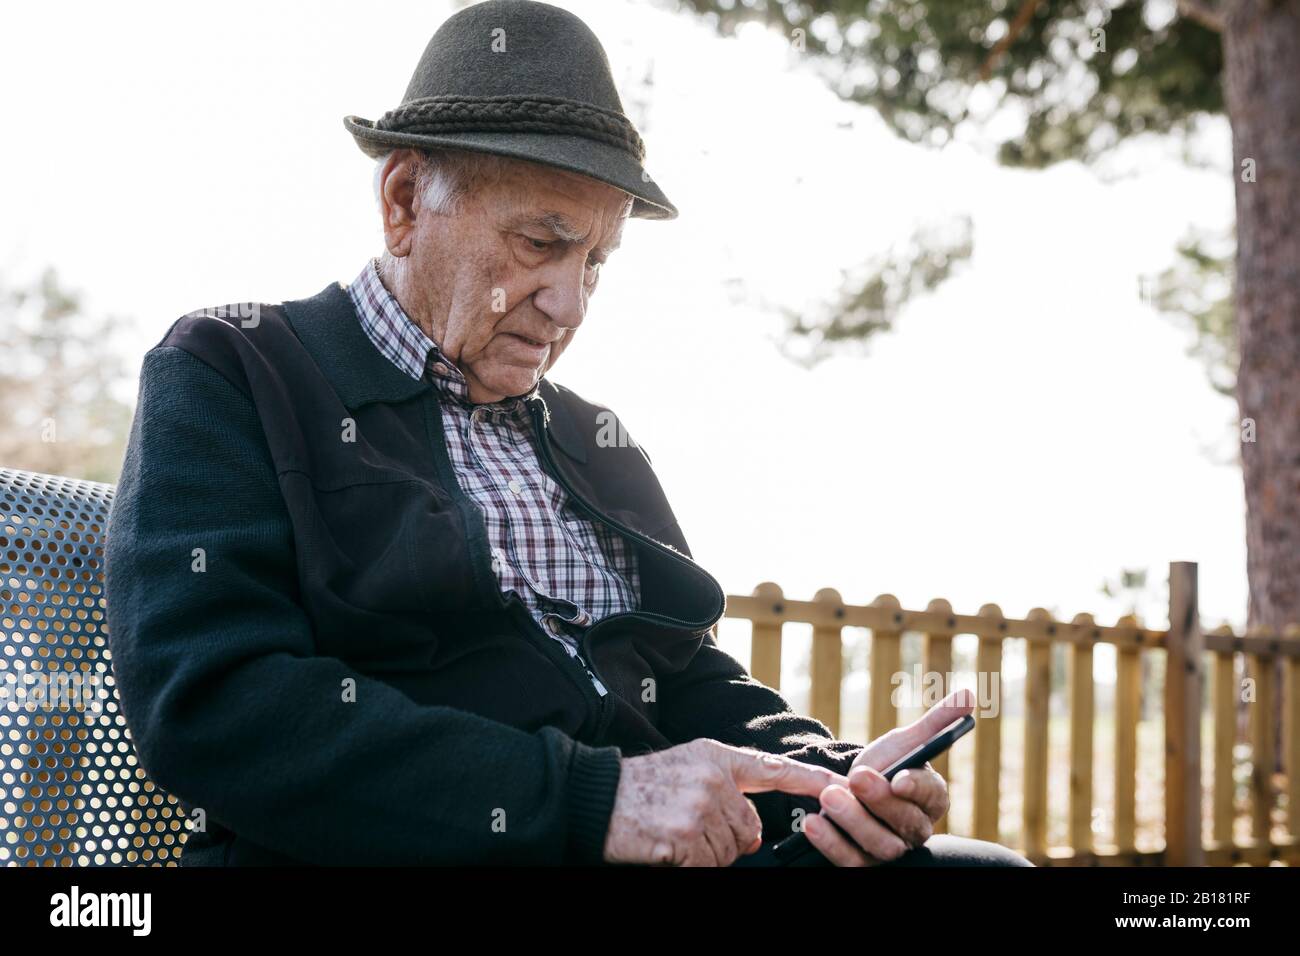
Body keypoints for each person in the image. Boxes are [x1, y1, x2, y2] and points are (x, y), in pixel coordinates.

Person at [104, 0, 1030, 868]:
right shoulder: (235, 369)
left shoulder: (596, 436)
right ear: (402, 202)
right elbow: (217, 706)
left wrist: (833, 779)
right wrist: (594, 800)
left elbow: (687, 675)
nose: (570, 303)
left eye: (597, 259)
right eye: (540, 244)